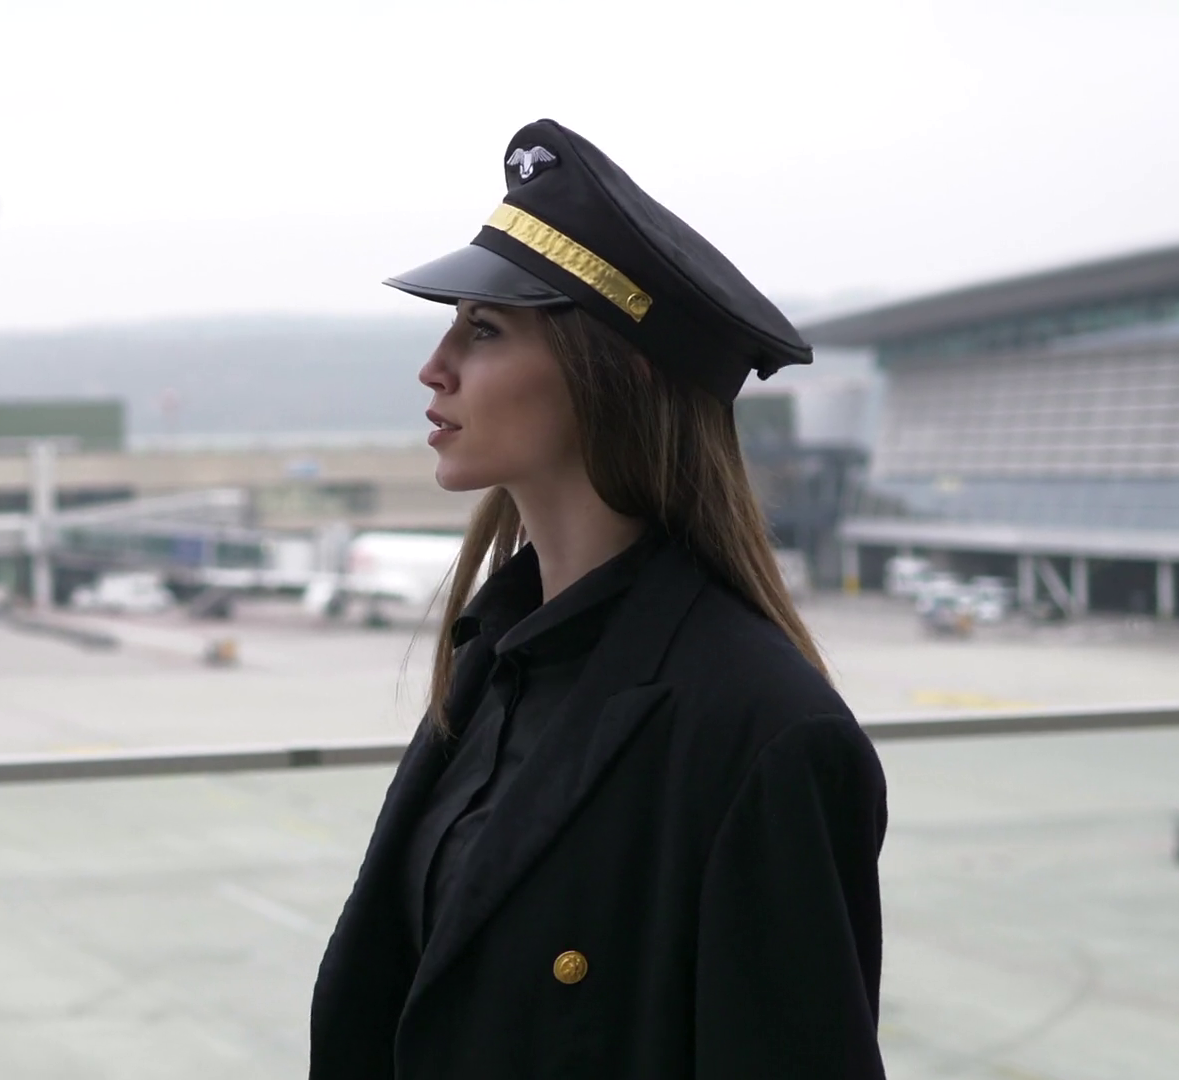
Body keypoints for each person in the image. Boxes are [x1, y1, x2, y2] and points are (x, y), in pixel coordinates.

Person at [309, 119, 887, 1079]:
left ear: (613, 373)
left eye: (483, 330)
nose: (434, 366)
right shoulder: (497, 664)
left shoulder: (765, 733)